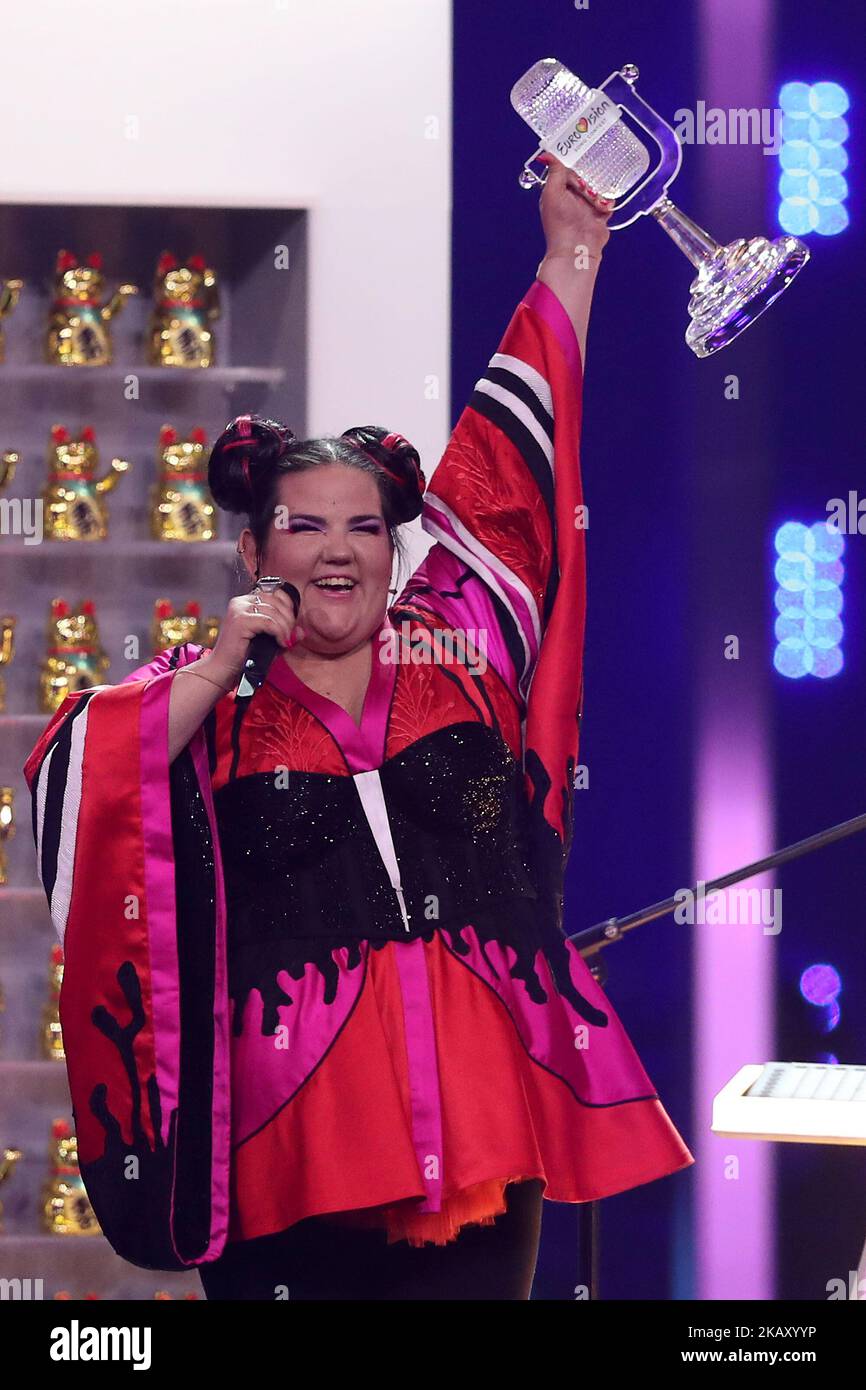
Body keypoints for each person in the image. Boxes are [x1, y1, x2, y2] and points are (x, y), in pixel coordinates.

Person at [23, 155, 694, 1301]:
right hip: (284, 1146)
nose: (338, 548)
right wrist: (225, 661)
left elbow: (509, 481)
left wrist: (569, 250)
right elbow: (76, 776)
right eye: (303, 526)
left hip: (481, 1128)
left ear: (396, 549)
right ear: (252, 552)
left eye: (366, 528)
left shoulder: (462, 647)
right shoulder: (204, 705)